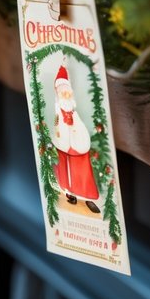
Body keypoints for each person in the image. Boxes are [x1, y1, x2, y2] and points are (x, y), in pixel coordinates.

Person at [51, 61, 100, 214]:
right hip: (65, 146)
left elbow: (79, 127)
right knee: (66, 173)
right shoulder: (58, 112)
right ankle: (69, 193)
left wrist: (76, 130)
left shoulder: (73, 112)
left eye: (67, 92)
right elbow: (57, 128)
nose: (66, 94)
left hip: (77, 146)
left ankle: (88, 199)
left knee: (83, 174)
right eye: (63, 92)